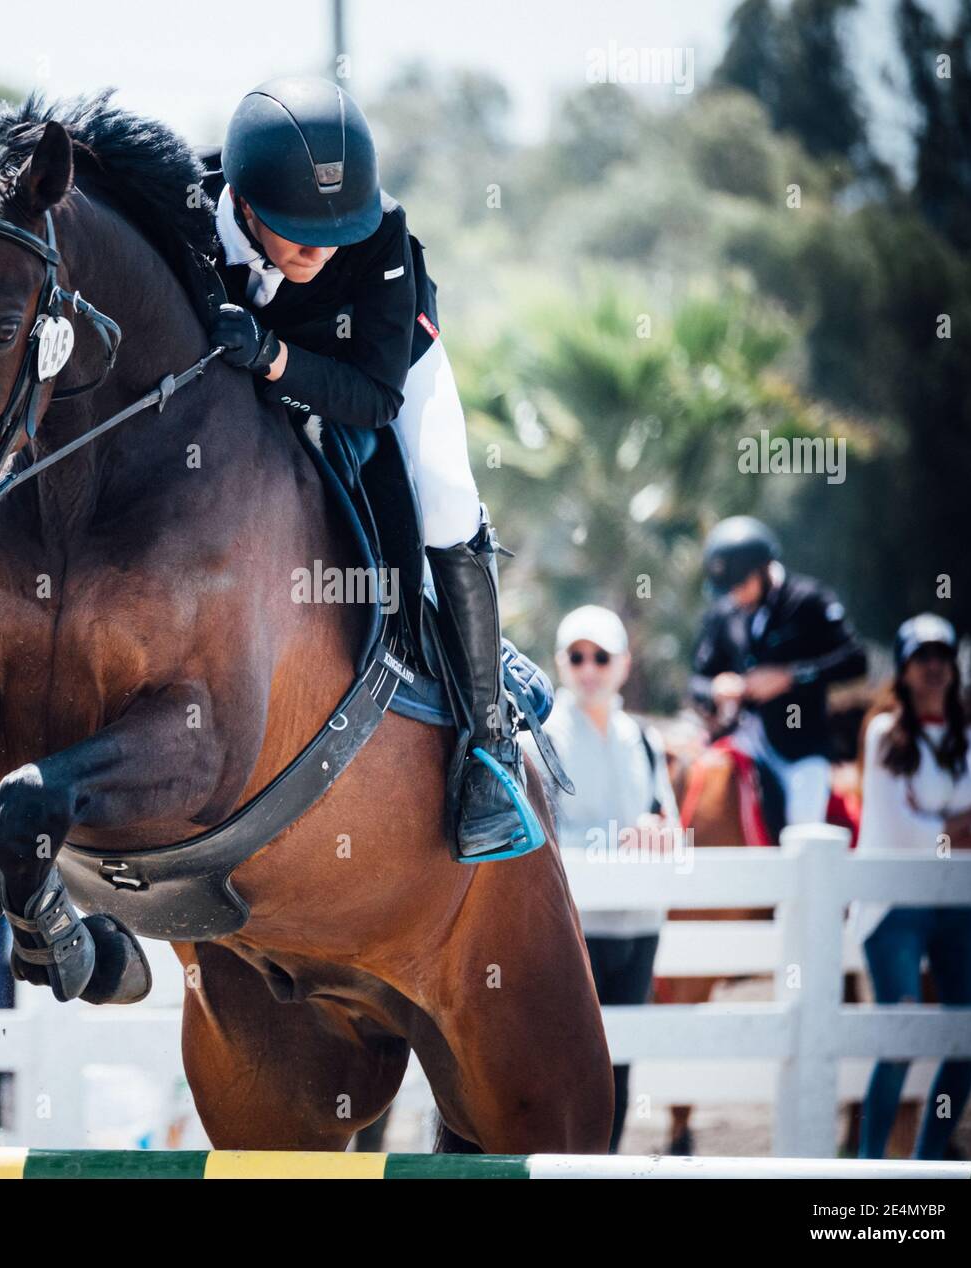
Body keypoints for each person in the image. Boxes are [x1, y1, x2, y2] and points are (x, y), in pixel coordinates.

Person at [202, 76, 522, 858]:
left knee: (446, 497)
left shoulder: (376, 235)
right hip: (246, 380)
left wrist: (274, 356)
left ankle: (488, 740)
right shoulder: (186, 213)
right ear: (242, 204)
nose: (320, 250)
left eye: (334, 231)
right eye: (296, 230)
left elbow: (377, 396)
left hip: (384, 369)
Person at [853, 614, 971, 1160]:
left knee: (968, 1035)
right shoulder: (885, 734)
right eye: (922, 658)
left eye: (942, 656)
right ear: (905, 669)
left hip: (957, 905)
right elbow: (894, 829)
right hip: (896, 905)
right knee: (900, 1036)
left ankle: (928, 1160)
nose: (934, 667)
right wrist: (956, 827)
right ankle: (869, 1166)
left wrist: (941, 829)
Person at [543, 605, 680, 1152]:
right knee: (568, 1066)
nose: (589, 667)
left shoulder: (644, 740)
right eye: (577, 656)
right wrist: (615, 840)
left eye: (600, 656)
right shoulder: (543, 737)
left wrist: (659, 831)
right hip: (576, 932)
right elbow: (541, 838)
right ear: (561, 663)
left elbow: (669, 822)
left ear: (623, 664)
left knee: (621, 1069)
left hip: (640, 928)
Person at [690, 516, 866, 827]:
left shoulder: (808, 599)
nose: (736, 594)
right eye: (730, 588)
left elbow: (855, 660)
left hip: (800, 747)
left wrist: (790, 678)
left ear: (763, 569)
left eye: (742, 584)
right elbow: (695, 682)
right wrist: (716, 688)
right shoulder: (724, 614)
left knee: (804, 822)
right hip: (742, 737)